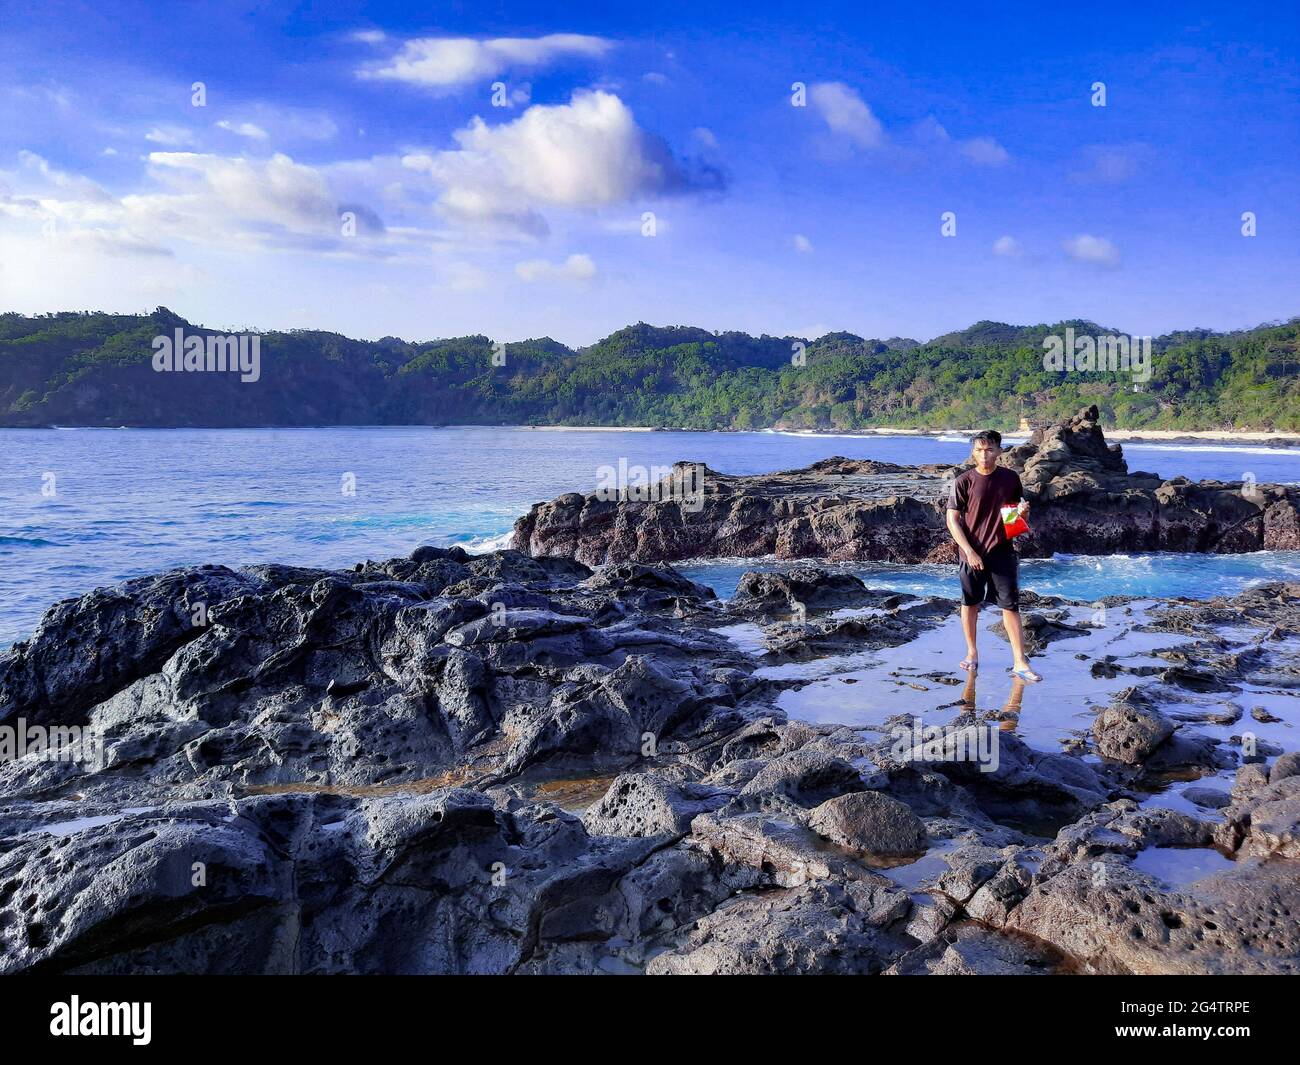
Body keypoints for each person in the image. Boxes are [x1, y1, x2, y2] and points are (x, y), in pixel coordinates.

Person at [944, 429, 1042, 682]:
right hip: (971, 554)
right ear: (972, 452)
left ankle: (1020, 662)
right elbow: (952, 520)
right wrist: (968, 551)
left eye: (989, 449)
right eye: (978, 450)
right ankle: (972, 653)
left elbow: (1013, 521)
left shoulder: (1010, 479)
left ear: (999, 451)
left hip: (1003, 552)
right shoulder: (963, 481)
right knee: (970, 604)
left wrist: (1024, 514)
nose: (984, 454)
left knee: (1010, 606)